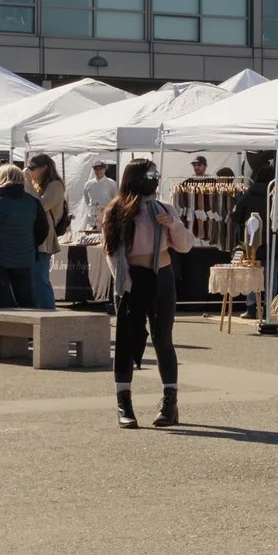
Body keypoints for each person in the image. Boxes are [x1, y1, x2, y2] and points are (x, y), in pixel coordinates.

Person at [106, 159, 198, 429]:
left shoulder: (163, 208)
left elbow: (185, 246)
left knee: (163, 338)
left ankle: (170, 402)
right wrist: (124, 282)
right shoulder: (117, 210)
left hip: (162, 276)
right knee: (126, 341)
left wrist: (172, 225)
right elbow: (111, 250)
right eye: (150, 173)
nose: (156, 177)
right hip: (133, 279)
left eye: (156, 173)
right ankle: (124, 403)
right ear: (136, 177)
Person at [0, 163, 51, 308]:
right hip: (25, 256)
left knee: (2, 300)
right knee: (26, 298)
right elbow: (43, 230)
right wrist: (29, 244)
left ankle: (4, 330)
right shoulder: (33, 202)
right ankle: (29, 329)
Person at [25, 155, 67, 309]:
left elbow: (41, 205)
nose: (29, 172)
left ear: (44, 168)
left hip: (43, 238)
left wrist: (28, 185)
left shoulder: (55, 185)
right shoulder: (38, 185)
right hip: (32, 237)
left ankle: (48, 314)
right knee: (32, 281)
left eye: (32, 168)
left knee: (39, 279)